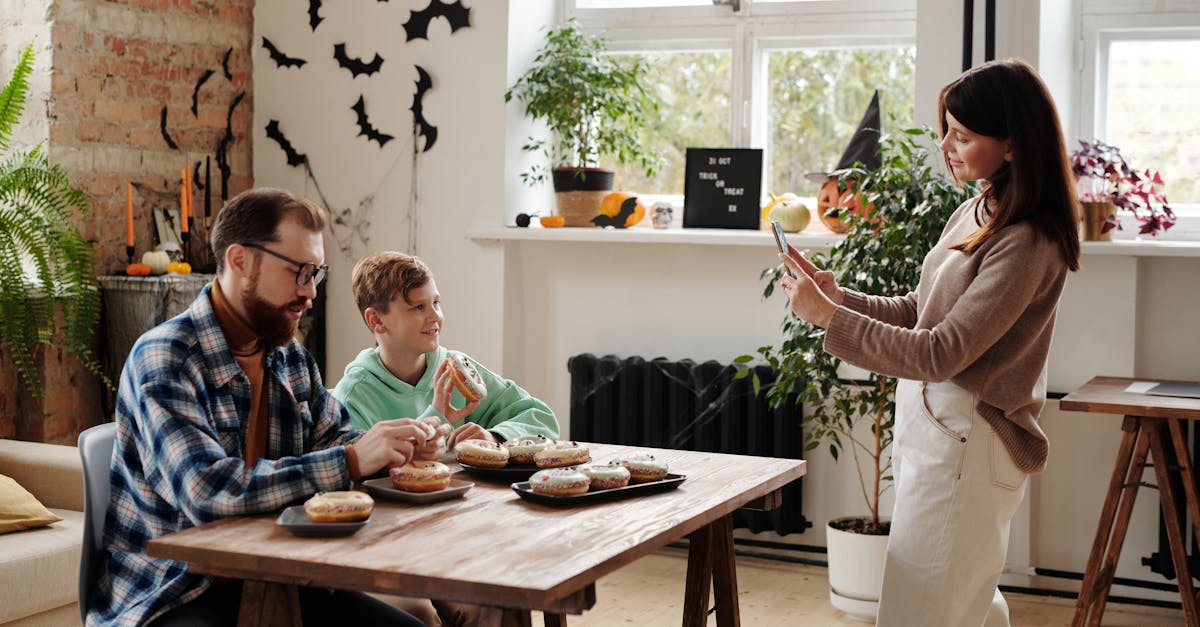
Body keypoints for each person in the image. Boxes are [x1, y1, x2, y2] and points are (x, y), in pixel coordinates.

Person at [776, 58, 1081, 627]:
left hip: (968, 439)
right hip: (941, 434)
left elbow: (941, 353)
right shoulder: (977, 210)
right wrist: (840, 300)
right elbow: (922, 313)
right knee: (961, 605)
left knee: (925, 610)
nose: (945, 145)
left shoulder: (1028, 239)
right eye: (946, 130)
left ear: (1012, 145)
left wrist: (827, 322)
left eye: (962, 135)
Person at [89, 188, 443, 627]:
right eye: (299, 272)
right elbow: (208, 492)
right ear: (240, 261)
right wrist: (352, 459)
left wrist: (395, 451)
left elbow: (335, 439)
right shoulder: (166, 358)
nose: (310, 291)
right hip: (177, 592)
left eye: (316, 273)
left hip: (287, 575)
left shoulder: (288, 354)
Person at [332, 251, 559, 449]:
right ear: (376, 320)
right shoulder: (354, 397)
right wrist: (437, 415)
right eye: (418, 307)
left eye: (436, 303)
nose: (435, 316)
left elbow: (542, 420)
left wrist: (495, 436)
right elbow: (367, 468)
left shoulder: (457, 372)